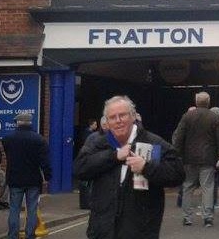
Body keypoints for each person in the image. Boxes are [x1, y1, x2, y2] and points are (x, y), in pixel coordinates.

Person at [75, 95, 185, 239]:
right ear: (107, 122)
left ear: (133, 116)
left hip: (139, 231)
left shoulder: (153, 143)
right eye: (113, 117)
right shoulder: (98, 143)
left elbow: (177, 174)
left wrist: (146, 167)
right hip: (102, 230)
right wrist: (114, 156)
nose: (118, 120)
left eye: (122, 115)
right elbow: (79, 168)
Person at [172, 91, 219, 227]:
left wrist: (177, 154)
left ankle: (187, 217)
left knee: (188, 186)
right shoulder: (214, 118)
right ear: (208, 102)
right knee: (207, 187)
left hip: (189, 158)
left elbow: (179, 137)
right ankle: (207, 217)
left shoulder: (187, 116)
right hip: (208, 158)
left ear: (196, 102)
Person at [2, 112, 51, 239]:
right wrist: (47, 175)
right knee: (32, 209)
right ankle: (30, 235)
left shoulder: (8, 139)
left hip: (15, 178)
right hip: (33, 179)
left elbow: (9, 156)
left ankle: (12, 235)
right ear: (30, 122)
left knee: (14, 209)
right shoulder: (39, 139)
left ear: (17, 123)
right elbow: (44, 161)